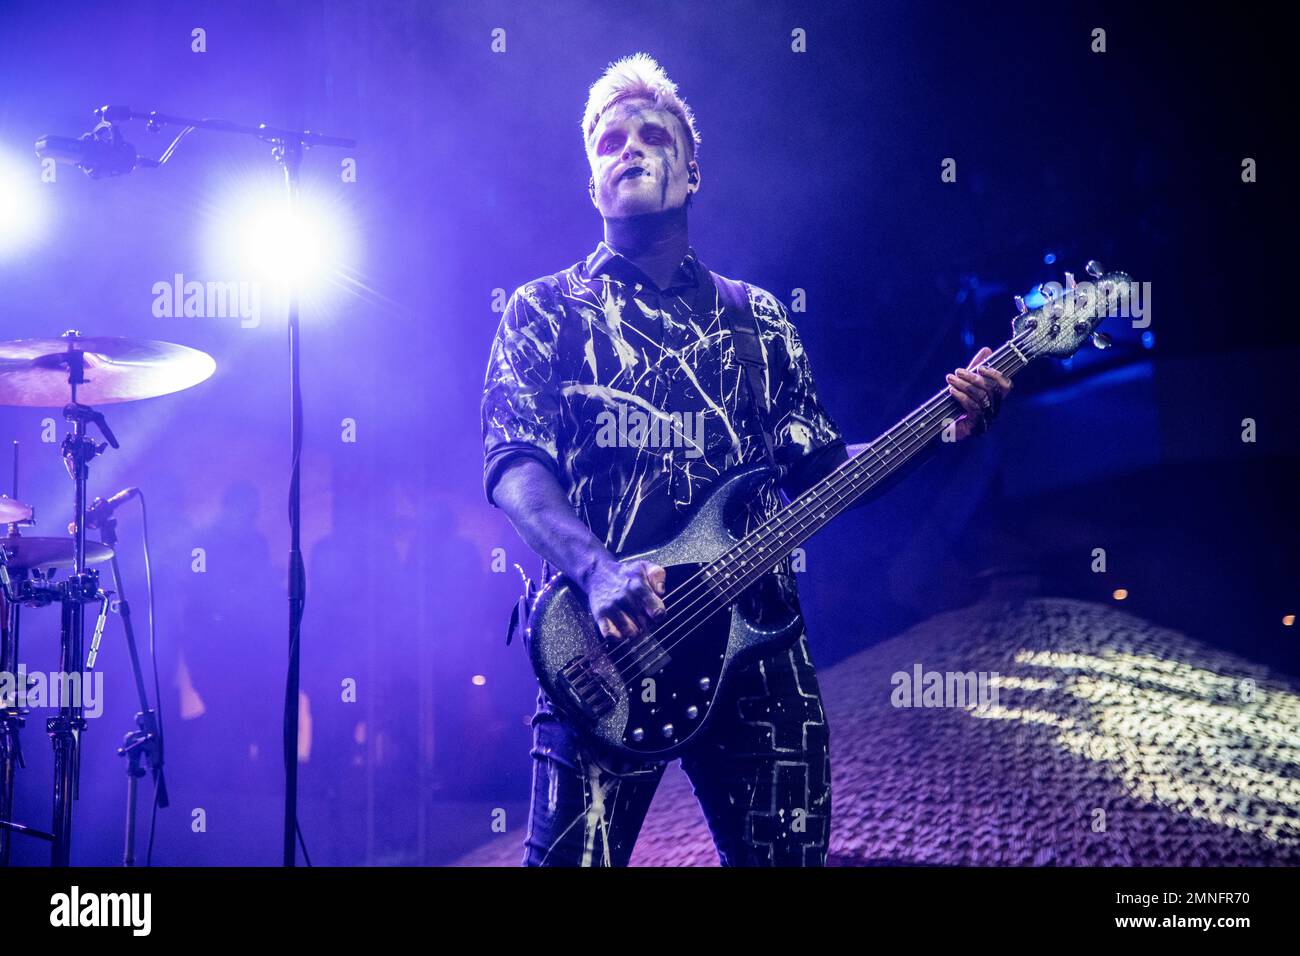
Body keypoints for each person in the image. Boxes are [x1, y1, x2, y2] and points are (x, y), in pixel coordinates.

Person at [480, 53, 1011, 867]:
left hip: (760, 657)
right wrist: (596, 570)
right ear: (592, 184)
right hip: (605, 649)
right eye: (610, 140)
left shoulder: (757, 319)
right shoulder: (544, 311)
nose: (630, 148)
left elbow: (824, 471)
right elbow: (516, 467)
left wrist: (944, 427)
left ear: (693, 172)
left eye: (653, 135)